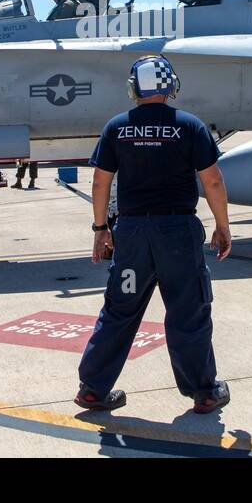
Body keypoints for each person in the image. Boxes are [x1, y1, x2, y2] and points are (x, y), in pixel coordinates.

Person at [75, 55, 233, 414]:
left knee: (120, 309)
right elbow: (212, 180)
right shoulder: (190, 127)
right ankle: (203, 391)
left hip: (131, 235)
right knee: (187, 310)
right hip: (177, 233)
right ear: (171, 86)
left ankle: (92, 390)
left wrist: (101, 229)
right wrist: (222, 226)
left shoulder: (116, 128)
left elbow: (101, 181)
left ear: (133, 89)